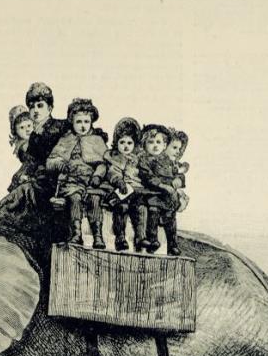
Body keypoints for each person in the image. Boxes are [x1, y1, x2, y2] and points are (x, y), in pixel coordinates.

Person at [47, 98, 111, 248]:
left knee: (95, 199)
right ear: (72, 121)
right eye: (79, 122)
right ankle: (76, 233)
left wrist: (97, 176)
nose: (82, 126)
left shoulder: (97, 140)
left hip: (91, 182)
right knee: (74, 199)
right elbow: (51, 161)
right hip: (72, 181)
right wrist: (60, 164)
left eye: (86, 122)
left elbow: (104, 164)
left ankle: (98, 236)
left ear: (91, 122)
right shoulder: (65, 140)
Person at [105, 117, 148, 251]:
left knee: (141, 208)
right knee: (121, 208)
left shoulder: (139, 160)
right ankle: (120, 237)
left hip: (136, 191)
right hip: (122, 191)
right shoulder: (115, 158)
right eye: (122, 142)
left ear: (135, 144)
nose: (125, 146)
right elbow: (112, 172)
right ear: (116, 143)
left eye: (129, 142)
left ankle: (141, 238)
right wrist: (119, 181)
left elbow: (144, 175)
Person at [137, 124, 182, 255]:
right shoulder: (144, 160)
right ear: (144, 144)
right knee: (153, 212)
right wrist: (162, 186)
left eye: (158, 142)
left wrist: (179, 180)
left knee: (171, 218)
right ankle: (152, 240)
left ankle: (172, 245)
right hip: (152, 194)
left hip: (168, 197)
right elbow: (148, 177)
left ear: (164, 145)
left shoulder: (168, 160)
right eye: (150, 142)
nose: (155, 145)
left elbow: (178, 173)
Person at [25, 82, 71, 202]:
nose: (35, 110)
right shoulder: (34, 136)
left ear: (50, 108)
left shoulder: (61, 126)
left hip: (59, 180)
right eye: (31, 107)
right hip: (40, 179)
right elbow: (31, 160)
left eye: (40, 106)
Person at [7, 105, 35, 192]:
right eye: (22, 127)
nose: (27, 130)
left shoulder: (34, 139)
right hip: (29, 170)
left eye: (29, 125)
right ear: (15, 131)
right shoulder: (23, 145)